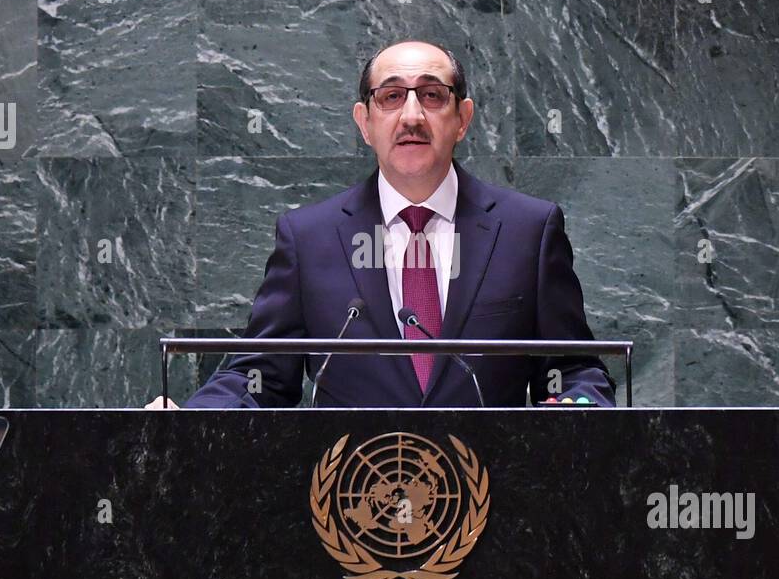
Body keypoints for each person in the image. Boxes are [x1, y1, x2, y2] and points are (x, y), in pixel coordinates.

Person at [146, 40, 615, 409]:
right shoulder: (309, 238)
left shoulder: (528, 230)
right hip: (352, 505)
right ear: (365, 123)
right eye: (391, 97)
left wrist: (576, 411)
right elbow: (260, 375)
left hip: (491, 501)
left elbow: (574, 370)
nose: (412, 115)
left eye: (432, 95)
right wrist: (193, 418)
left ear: (462, 119)